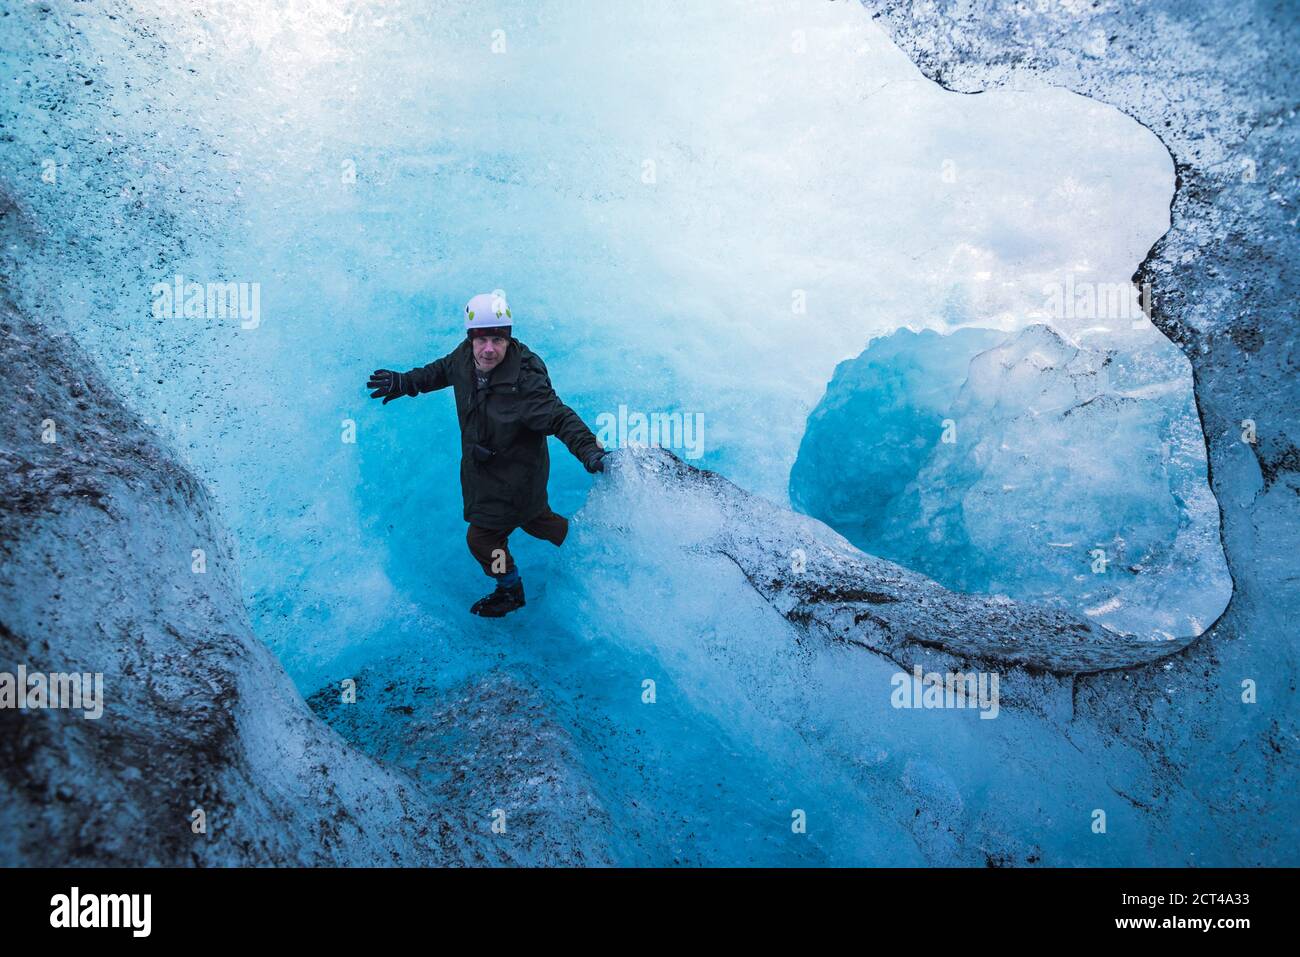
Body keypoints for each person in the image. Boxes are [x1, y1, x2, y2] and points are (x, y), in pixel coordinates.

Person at [366, 292, 608, 617]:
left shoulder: (525, 382)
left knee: (482, 540)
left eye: (498, 339)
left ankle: (509, 588)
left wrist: (589, 449)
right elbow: (441, 371)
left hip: (513, 479)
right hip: (493, 476)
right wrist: (404, 382)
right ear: (470, 339)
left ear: (508, 339)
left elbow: (558, 416)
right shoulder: (465, 358)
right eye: (481, 339)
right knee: (537, 521)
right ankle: (593, 545)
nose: (489, 349)